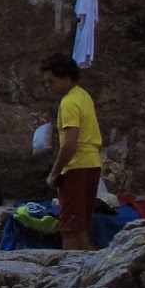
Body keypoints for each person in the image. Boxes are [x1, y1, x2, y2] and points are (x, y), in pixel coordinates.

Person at [40, 53, 103, 251]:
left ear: (65, 77)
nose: (48, 86)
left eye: (51, 81)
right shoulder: (83, 95)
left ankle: (68, 270)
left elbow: (69, 144)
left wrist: (54, 172)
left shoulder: (68, 103)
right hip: (92, 164)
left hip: (76, 166)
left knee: (69, 227)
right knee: (80, 225)